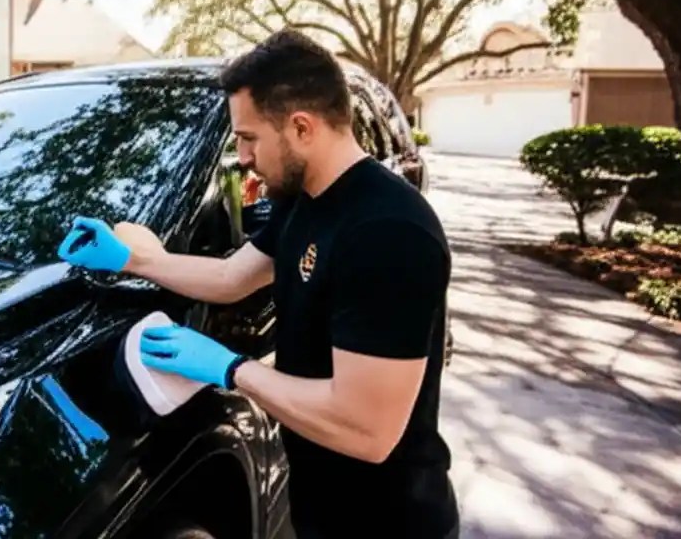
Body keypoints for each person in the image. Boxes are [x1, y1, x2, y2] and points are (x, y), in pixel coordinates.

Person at [56, 29, 459, 538]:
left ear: (301, 127)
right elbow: (231, 277)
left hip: (390, 522)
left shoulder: (389, 232)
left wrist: (229, 368)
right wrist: (130, 258)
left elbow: (368, 431)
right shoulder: (304, 201)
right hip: (320, 508)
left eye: (249, 138)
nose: (242, 157)